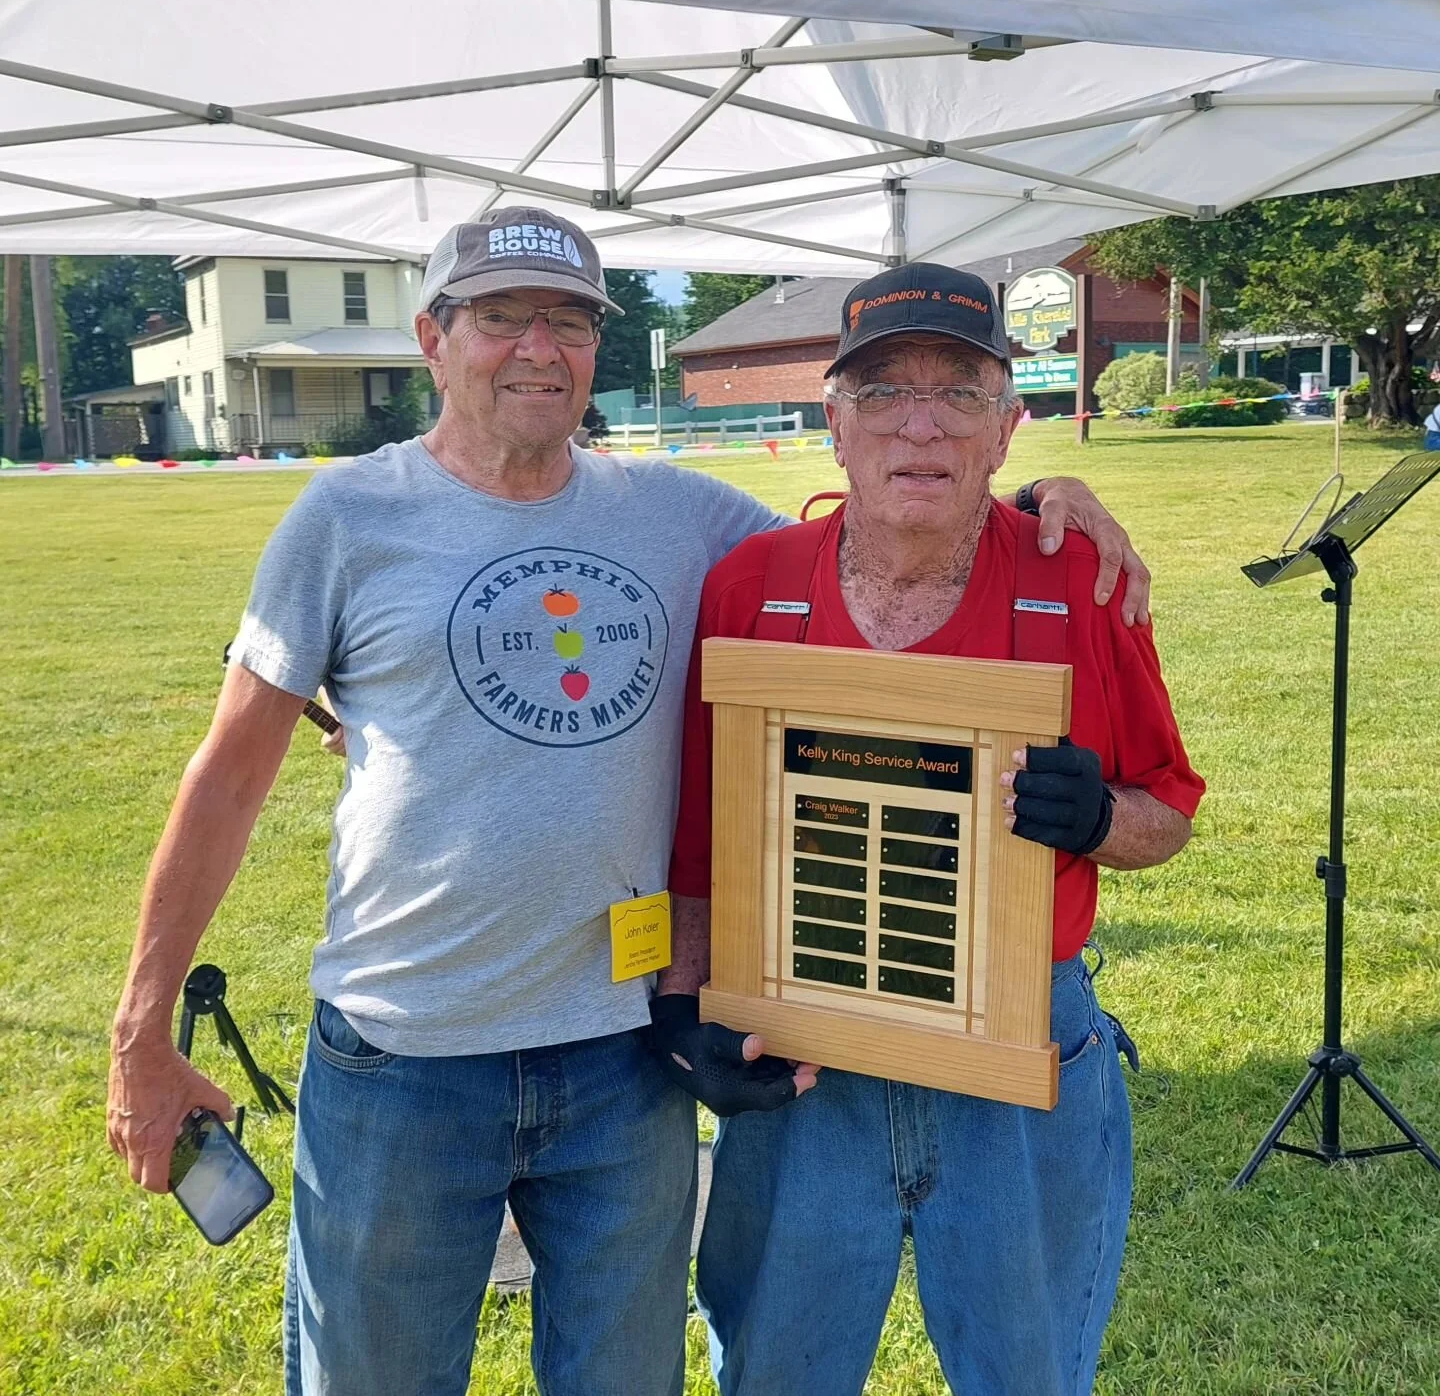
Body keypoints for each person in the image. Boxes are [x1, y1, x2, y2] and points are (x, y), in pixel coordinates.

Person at [106, 207, 1152, 1396]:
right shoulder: (344, 518)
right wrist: (140, 1034)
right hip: (405, 1055)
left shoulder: (677, 515)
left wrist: (1052, 507)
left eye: (570, 321)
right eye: (502, 316)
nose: (538, 348)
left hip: (621, 1065)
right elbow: (227, 774)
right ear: (433, 338)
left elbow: (894, 531)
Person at [666, 262, 1205, 1396]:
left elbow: (1168, 809)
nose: (921, 423)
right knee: (774, 1368)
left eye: (959, 393)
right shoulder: (748, 585)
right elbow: (703, 846)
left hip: (1018, 1044)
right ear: (834, 423)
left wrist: (1101, 815)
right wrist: (690, 1000)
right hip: (805, 1044)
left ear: (1009, 426)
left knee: (1027, 1370)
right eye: (882, 391)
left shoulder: (1085, 584)